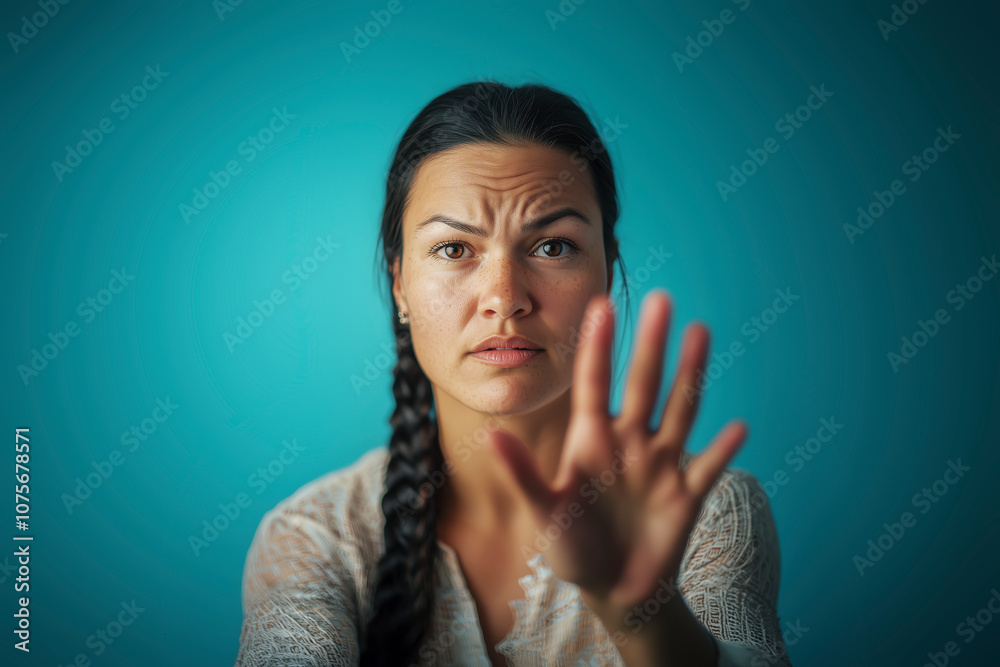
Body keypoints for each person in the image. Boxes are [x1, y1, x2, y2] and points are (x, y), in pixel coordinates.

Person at [235, 80, 792, 667]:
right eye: (454, 250)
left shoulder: (709, 508)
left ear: (607, 271)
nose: (504, 298)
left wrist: (643, 616)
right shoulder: (314, 534)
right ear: (400, 282)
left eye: (553, 247)